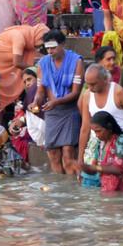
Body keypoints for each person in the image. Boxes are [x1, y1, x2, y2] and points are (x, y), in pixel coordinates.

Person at [77, 63, 123, 174]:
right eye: (88, 84)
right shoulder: (87, 95)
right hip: (97, 142)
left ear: (104, 80)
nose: (90, 88)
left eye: (93, 84)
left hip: (120, 142)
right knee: (91, 178)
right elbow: (85, 127)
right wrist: (80, 158)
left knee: (119, 175)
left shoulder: (118, 92)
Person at [32, 29, 84, 174]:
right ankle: (59, 185)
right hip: (52, 112)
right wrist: (35, 102)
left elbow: (75, 93)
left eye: (53, 48)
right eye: (47, 48)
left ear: (62, 44)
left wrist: (56, 102)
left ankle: (70, 184)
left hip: (70, 111)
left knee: (68, 154)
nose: (50, 51)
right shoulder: (42, 64)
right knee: (53, 154)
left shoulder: (76, 61)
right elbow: (40, 91)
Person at [0, 24, 50, 107]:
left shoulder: (28, 35)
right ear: (39, 37)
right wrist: (37, 69)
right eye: (42, 44)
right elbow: (17, 63)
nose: (40, 47)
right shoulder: (19, 37)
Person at [80, 109, 123, 191]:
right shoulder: (100, 143)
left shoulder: (122, 140)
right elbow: (96, 169)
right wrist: (84, 168)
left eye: (99, 131)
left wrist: (94, 168)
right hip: (108, 188)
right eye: (95, 132)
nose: (97, 135)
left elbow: (118, 169)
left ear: (109, 127)